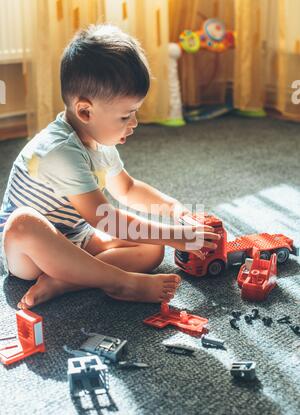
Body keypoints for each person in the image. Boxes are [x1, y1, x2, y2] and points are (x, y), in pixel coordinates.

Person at [0, 24, 219, 309]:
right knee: (23, 222)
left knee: (152, 247)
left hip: (76, 236)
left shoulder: (100, 142)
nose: (135, 123)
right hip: (28, 254)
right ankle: (120, 281)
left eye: (135, 112)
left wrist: (175, 209)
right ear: (85, 111)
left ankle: (64, 282)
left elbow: (126, 188)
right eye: (126, 115)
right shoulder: (59, 151)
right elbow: (104, 219)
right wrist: (177, 236)